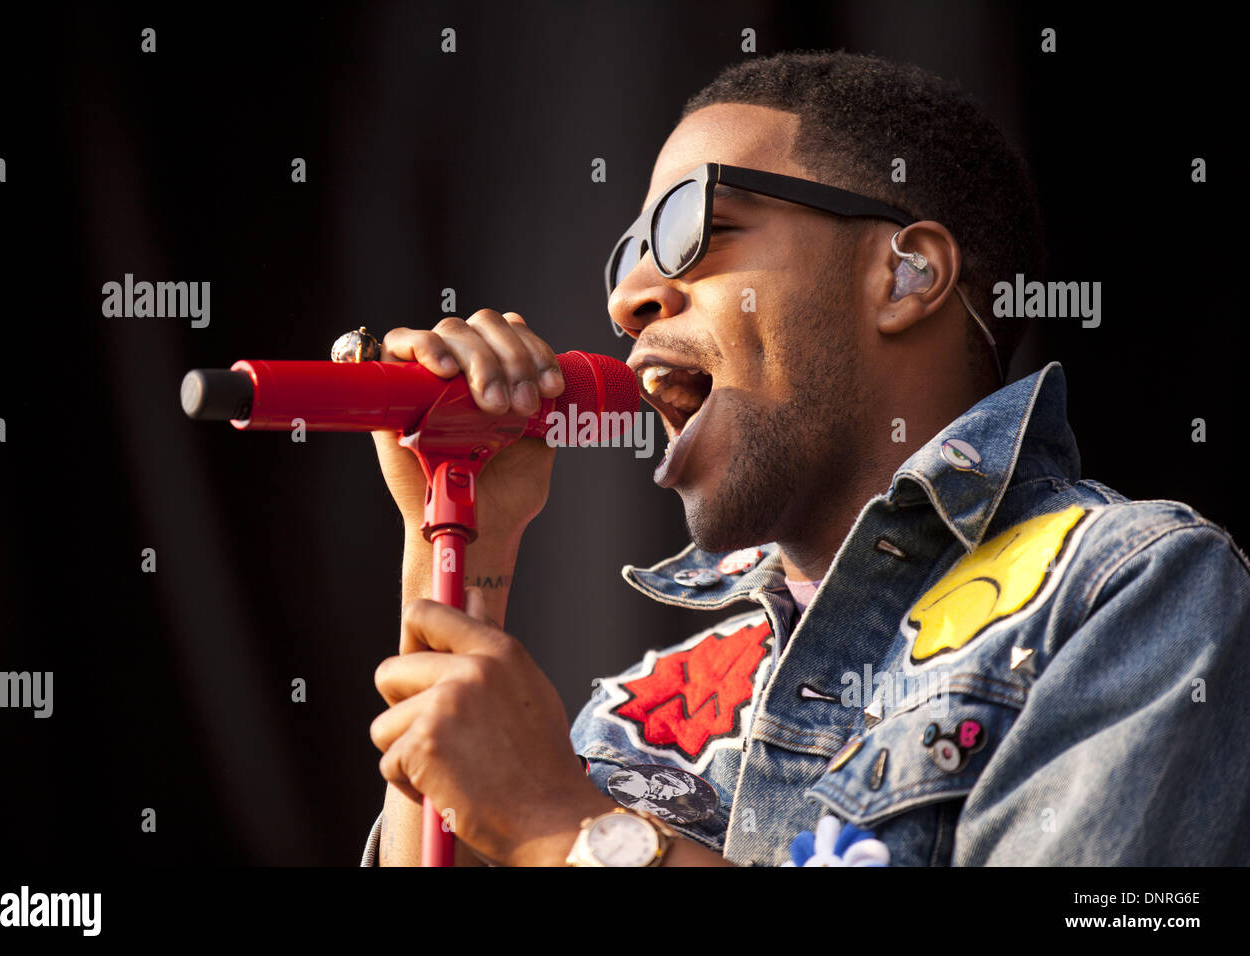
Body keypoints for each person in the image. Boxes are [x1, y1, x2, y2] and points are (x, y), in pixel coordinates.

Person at [363, 51, 1250, 866]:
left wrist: (569, 829)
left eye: (689, 227)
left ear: (905, 277)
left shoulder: (1128, 590)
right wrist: (460, 540)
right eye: (627, 256)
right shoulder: (641, 718)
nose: (631, 299)